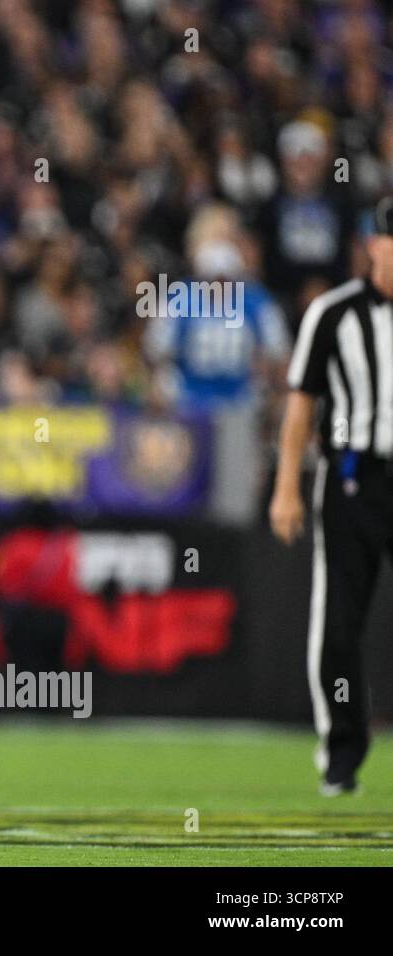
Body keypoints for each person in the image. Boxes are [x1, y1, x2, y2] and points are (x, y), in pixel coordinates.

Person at [269, 196, 393, 796]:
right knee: (339, 620)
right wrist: (286, 487)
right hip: (353, 479)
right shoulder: (334, 312)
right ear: (374, 246)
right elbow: (301, 404)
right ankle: (341, 754)